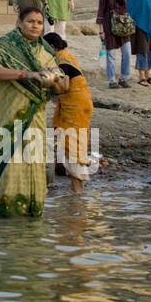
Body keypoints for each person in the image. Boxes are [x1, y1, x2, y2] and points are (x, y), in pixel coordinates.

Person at [0, 7, 68, 217]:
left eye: (39, 23)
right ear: (19, 22)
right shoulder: (6, 45)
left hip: (36, 116)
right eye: (30, 21)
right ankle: (10, 216)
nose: (35, 26)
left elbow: (62, 88)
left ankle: (33, 211)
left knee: (35, 163)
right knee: (12, 166)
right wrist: (27, 74)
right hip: (9, 115)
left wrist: (53, 81)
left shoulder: (46, 52)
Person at [44, 33, 94, 193]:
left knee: (73, 142)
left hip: (75, 105)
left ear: (51, 46)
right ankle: (76, 190)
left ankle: (77, 189)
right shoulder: (67, 56)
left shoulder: (61, 60)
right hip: (79, 103)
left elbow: (64, 86)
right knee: (72, 140)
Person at [97, 0, 133, 89]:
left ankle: (124, 78)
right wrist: (101, 30)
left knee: (127, 52)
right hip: (109, 26)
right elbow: (101, 12)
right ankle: (112, 80)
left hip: (123, 26)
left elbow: (128, 8)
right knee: (111, 54)